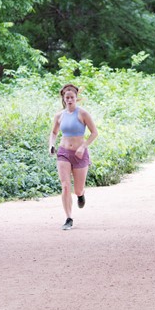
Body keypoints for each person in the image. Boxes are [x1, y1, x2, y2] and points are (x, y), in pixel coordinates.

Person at [47, 83, 98, 230]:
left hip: (80, 154)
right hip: (64, 153)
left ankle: (81, 195)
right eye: (67, 97)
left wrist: (83, 146)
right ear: (63, 98)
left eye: (72, 97)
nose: (69, 100)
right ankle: (68, 218)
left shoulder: (82, 114)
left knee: (77, 189)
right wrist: (51, 145)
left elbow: (94, 132)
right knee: (65, 185)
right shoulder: (59, 116)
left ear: (76, 98)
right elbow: (54, 132)